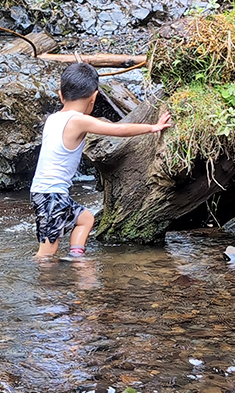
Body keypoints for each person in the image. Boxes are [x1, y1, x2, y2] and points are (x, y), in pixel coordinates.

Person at [31, 62, 172, 259]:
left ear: (61, 94)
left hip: (49, 193)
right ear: (94, 96)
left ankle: (76, 258)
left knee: (86, 219)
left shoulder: (54, 118)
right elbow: (118, 130)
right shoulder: (78, 120)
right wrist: (152, 127)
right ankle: (41, 285)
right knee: (47, 252)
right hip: (51, 194)